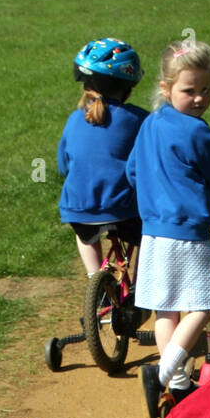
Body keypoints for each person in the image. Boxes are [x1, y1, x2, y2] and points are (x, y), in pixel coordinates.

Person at [125, 40, 210, 418]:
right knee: (205, 306)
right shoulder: (196, 132)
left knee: (165, 309)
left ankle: (179, 387)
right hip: (188, 233)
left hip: (154, 234)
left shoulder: (149, 124)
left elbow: (132, 172)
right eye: (189, 90)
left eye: (206, 90)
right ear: (166, 88)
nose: (199, 98)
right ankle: (161, 376)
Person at [57, 38, 147, 279]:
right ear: (127, 86)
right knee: (150, 235)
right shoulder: (139, 119)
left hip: (78, 207)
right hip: (124, 208)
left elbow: (63, 165)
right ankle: (141, 287)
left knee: (84, 234)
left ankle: (94, 279)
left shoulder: (75, 119)